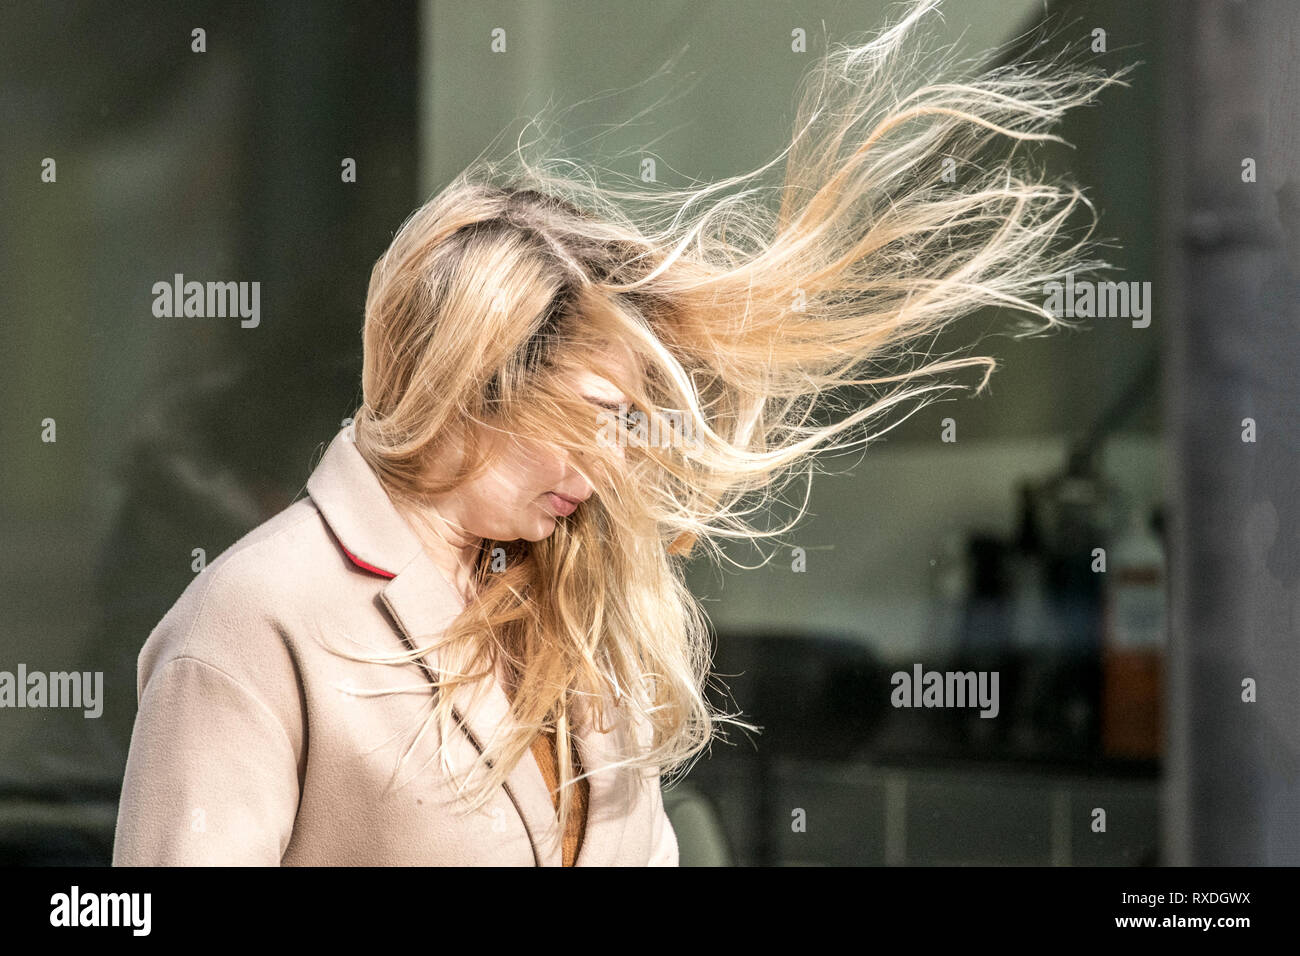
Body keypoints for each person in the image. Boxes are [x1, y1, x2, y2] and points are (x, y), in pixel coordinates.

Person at [112, 0, 1126, 865]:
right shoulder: (253, 619)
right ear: (481, 381)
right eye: (597, 418)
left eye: (632, 424)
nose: (613, 465)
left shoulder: (578, 612)